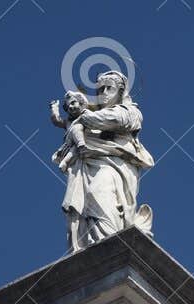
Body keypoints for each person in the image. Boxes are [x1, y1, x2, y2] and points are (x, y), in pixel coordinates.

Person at [50, 71, 154, 251]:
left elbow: (116, 119)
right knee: (86, 203)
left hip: (116, 167)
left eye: (109, 88)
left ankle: (111, 246)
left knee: (99, 191)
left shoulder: (130, 112)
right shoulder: (87, 116)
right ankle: (94, 244)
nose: (104, 93)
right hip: (88, 165)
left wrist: (83, 116)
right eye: (100, 89)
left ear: (120, 92)